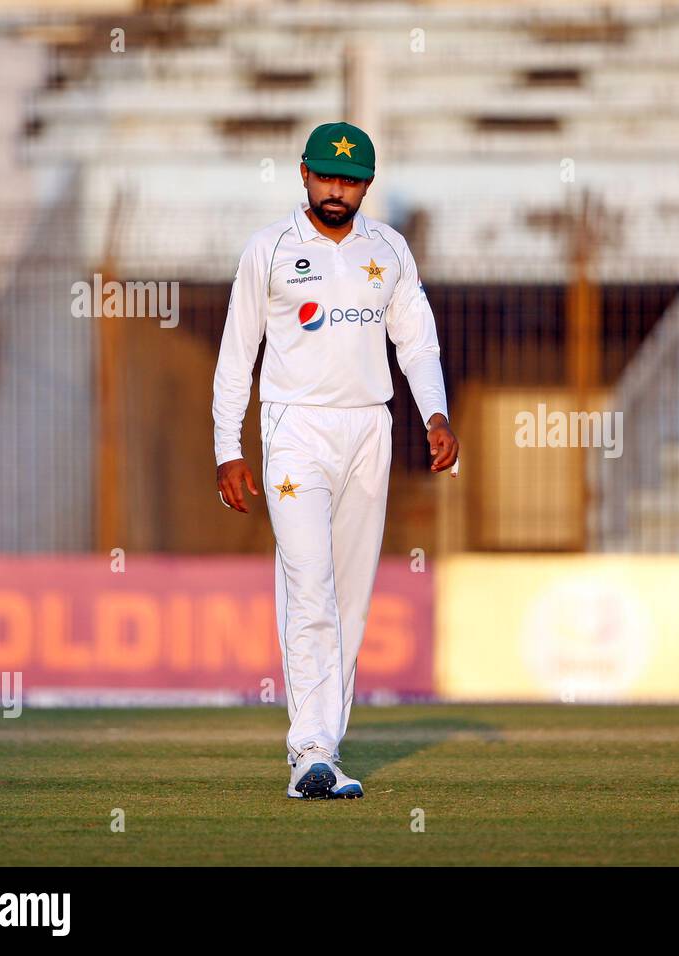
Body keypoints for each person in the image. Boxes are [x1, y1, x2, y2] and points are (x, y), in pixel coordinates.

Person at [213, 122, 459, 797]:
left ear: (367, 185)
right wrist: (227, 450)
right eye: (326, 176)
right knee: (311, 586)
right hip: (294, 429)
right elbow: (237, 359)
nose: (336, 190)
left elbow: (416, 342)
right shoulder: (268, 249)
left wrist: (434, 414)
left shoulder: (390, 248)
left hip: (368, 430)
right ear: (303, 174)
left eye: (350, 180)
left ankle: (326, 745)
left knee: (350, 598)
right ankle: (311, 753)